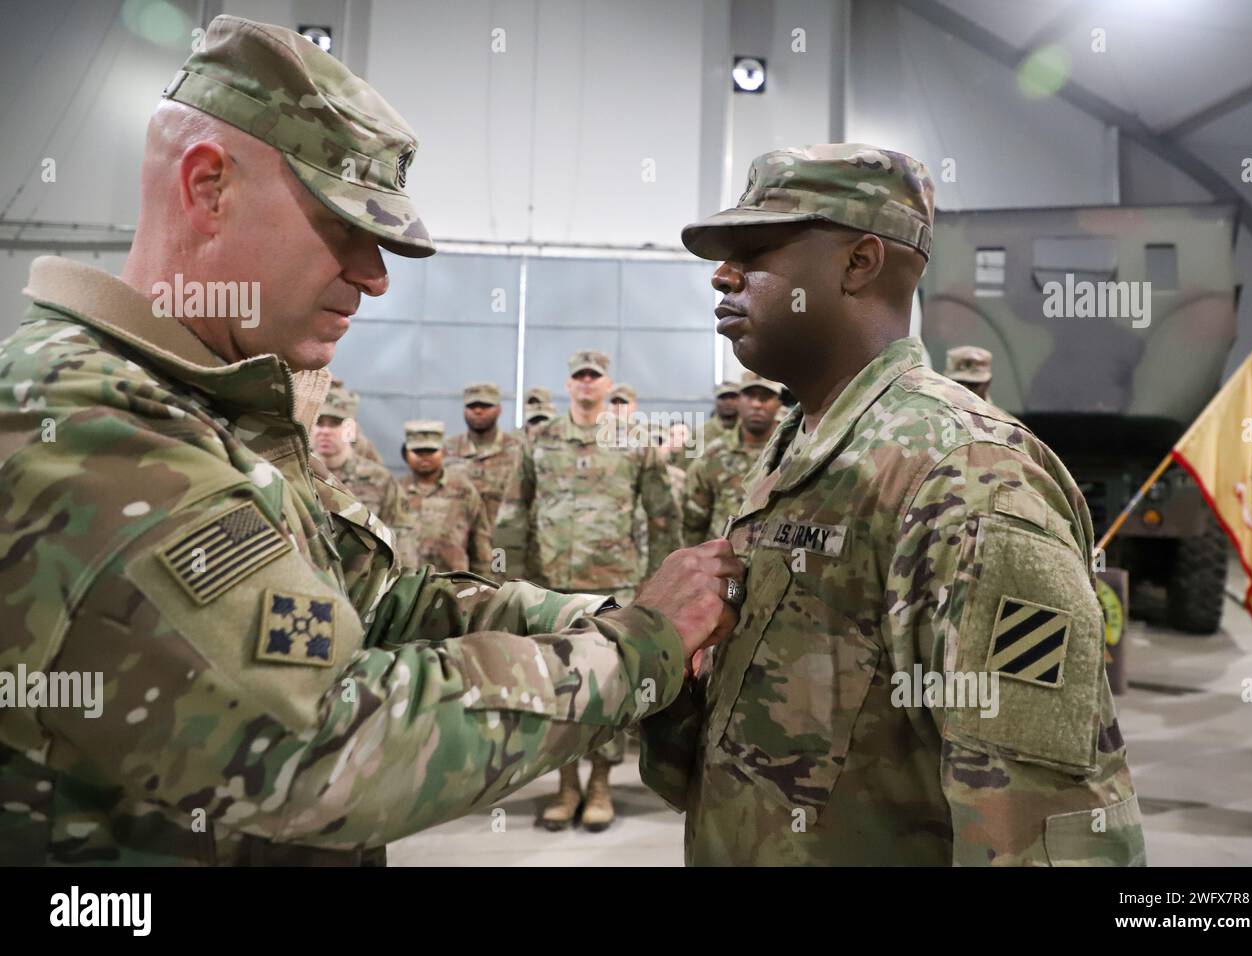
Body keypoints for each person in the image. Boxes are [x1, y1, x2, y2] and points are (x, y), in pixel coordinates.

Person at [0, 15, 740, 865]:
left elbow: (383, 605)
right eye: (345, 226)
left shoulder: (217, 412)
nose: (376, 276)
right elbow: (326, 747)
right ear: (208, 187)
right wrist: (639, 645)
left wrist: (610, 615)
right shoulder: (86, 423)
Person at [639, 143, 1145, 866]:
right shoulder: (803, 441)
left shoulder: (969, 476)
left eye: (754, 250)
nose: (723, 276)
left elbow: (1041, 819)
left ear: (859, 263)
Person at [496, 349, 682, 832]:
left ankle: (600, 784)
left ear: (606, 384)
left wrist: (659, 580)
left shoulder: (633, 441)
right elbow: (515, 512)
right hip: (550, 586)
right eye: (578, 375)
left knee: (606, 686)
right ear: (568, 384)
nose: (585, 383)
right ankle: (565, 785)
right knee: (555, 686)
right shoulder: (541, 440)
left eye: (593, 376)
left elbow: (663, 514)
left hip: (614, 583)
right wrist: (511, 578)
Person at [682, 371, 782, 545]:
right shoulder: (714, 455)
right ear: (739, 401)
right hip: (724, 561)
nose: (757, 404)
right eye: (750, 397)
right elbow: (694, 522)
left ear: (778, 403)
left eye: (765, 398)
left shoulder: (796, 451)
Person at [394, 420, 492, 576]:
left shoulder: (464, 491)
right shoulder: (394, 492)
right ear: (406, 454)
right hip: (404, 588)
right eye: (418, 451)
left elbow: (481, 546)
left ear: (444, 452)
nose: (424, 457)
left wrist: (486, 587)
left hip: (453, 587)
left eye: (430, 450)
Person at [312, 380, 402, 528]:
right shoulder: (297, 475)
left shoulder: (379, 479)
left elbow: (400, 532)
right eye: (319, 422)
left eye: (335, 423)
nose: (325, 431)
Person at [442, 381, 522, 527]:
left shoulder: (518, 450)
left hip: (501, 538)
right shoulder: (446, 450)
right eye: (471, 406)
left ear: (499, 409)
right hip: (458, 539)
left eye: (486, 406)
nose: (478, 411)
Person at [695, 381, 740, 448]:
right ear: (716, 401)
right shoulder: (701, 432)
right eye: (723, 397)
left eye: (732, 397)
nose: (728, 402)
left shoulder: (749, 430)